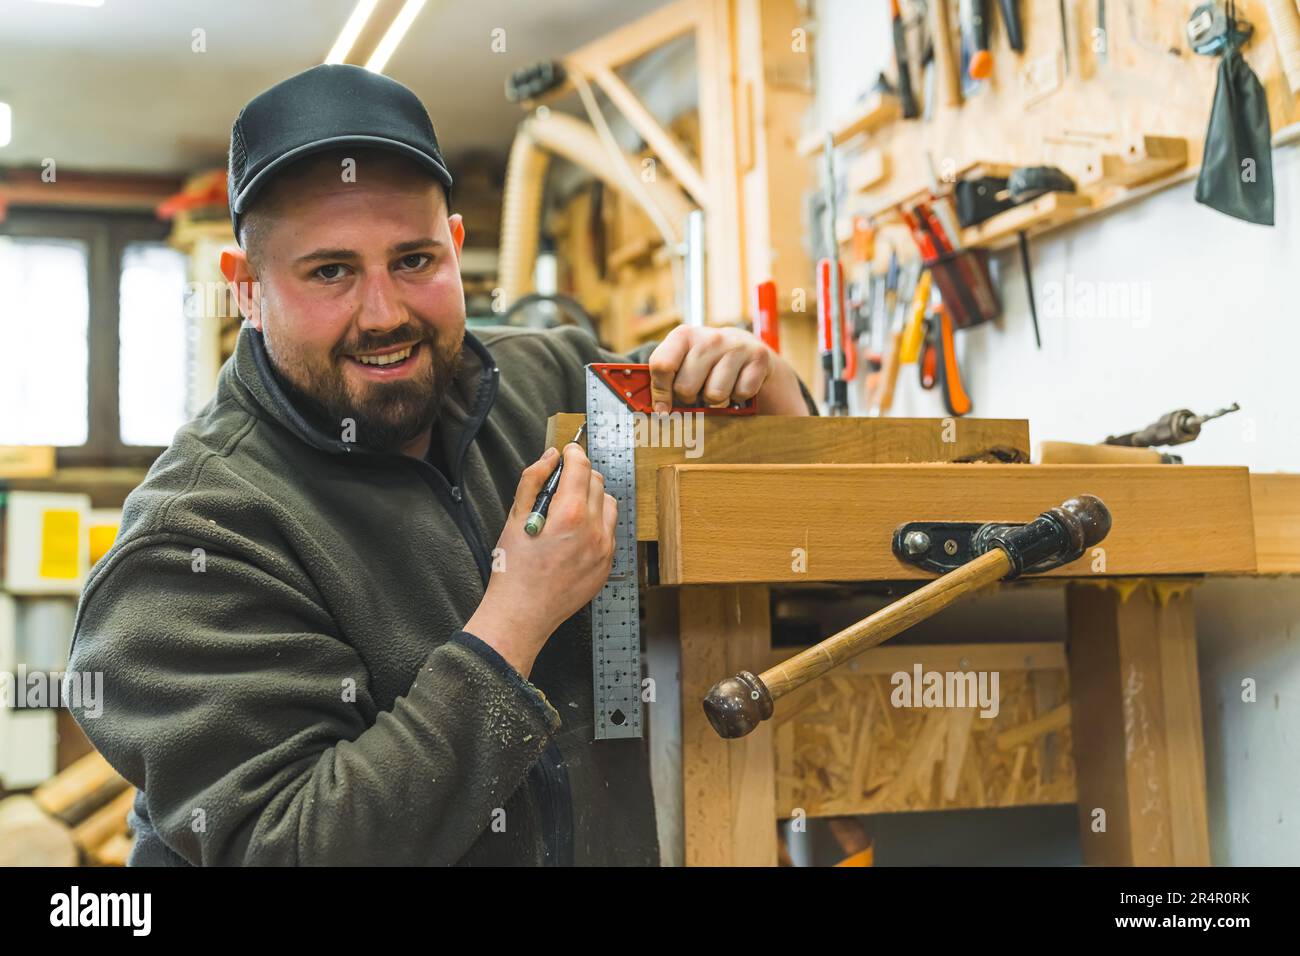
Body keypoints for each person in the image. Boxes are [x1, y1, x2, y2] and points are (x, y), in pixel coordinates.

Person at [67, 64, 813, 866]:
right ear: (246, 288)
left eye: (415, 261)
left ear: (456, 250)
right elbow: (294, 849)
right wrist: (513, 622)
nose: (383, 314)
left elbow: (798, 520)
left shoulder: (557, 385)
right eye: (331, 272)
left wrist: (763, 381)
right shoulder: (192, 541)